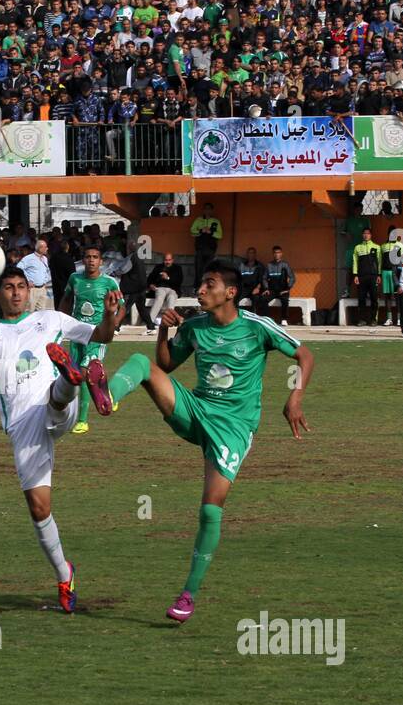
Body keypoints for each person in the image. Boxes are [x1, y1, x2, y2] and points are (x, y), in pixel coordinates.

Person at [97, 265, 314, 622]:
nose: (199, 290)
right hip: (196, 410)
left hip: (233, 427)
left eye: (208, 285)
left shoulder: (257, 326)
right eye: (200, 284)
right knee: (141, 362)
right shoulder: (195, 327)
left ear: (230, 292)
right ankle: (109, 397)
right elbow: (165, 365)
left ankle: (188, 594)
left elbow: (305, 355)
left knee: (211, 509)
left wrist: (296, 397)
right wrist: (164, 332)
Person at [0, 266, 123, 613]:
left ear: (30, 290)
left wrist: (110, 316)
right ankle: (65, 575)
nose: (16, 293)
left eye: (21, 287)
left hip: (51, 404)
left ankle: (71, 380)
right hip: (21, 424)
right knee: (39, 509)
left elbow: (102, 336)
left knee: (56, 399)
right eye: (9, 288)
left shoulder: (50, 319)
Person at [58, 244, 121, 434]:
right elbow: (67, 300)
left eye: (95, 257)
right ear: (83, 260)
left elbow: (122, 306)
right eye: (88, 257)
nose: (91, 260)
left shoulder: (109, 282)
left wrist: (113, 324)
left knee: (85, 373)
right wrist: (60, 322)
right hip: (78, 332)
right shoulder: (74, 279)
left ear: (101, 261)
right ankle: (106, 391)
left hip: (98, 333)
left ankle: (83, 420)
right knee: (76, 374)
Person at [351, 227, 382, 325]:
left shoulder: (377, 247)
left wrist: (379, 275)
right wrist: (355, 275)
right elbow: (355, 262)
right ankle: (362, 320)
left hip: (373, 276)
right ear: (362, 235)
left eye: (368, 233)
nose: (366, 235)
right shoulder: (357, 247)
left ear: (371, 235)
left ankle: (373, 319)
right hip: (361, 276)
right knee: (361, 299)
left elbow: (380, 262)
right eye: (364, 233)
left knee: (374, 298)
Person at [145, 252, 182, 334]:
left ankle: (170, 320)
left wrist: (168, 278)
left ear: (172, 260)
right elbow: (150, 279)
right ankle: (150, 323)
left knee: (172, 298)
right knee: (160, 297)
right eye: (166, 260)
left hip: (173, 289)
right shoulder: (158, 267)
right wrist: (151, 285)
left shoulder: (177, 268)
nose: (167, 262)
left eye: (169, 260)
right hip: (160, 288)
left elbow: (178, 281)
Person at [260, 246, 296, 324]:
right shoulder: (269, 265)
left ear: (281, 254)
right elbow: (264, 278)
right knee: (263, 299)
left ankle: (284, 319)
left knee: (285, 300)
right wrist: (266, 289)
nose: (276, 254)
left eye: (278, 253)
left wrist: (287, 288)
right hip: (272, 290)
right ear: (273, 254)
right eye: (275, 253)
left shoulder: (285, 265)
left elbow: (292, 277)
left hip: (283, 290)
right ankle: (266, 319)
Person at [16, 239, 53, 312]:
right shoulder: (29, 258)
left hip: (42, 289)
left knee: (41, 313)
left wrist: (45, 281)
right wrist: (27, 281)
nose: (47, 248)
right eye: (45, 247)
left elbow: (46, 271)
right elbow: (19, 268)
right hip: (32, 289)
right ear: (40, 248)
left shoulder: (45, 258)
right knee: (29, 312)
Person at [379, 228, 403, 327]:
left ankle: (399, 319)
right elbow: (380, 261)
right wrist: (379, 274)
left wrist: (402, 273)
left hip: (396, 273)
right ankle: (389, 318)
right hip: (385, 272)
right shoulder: (383, 246)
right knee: (387, 296)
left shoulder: (400, 245)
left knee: (398, 296)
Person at [190, 203, 222, 276]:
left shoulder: (216, 221)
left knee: (209, 269)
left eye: (209, 209)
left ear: (212, 210)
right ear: (203, 210)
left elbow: (220, 235)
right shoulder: (198, 220)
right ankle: (197, 286)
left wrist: (211, 232)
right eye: (206, 209)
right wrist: (201, 230)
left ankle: (208, 286)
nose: (207, 210)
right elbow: (192, 232)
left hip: (211, 250)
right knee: (198, 269)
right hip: (200, 249)